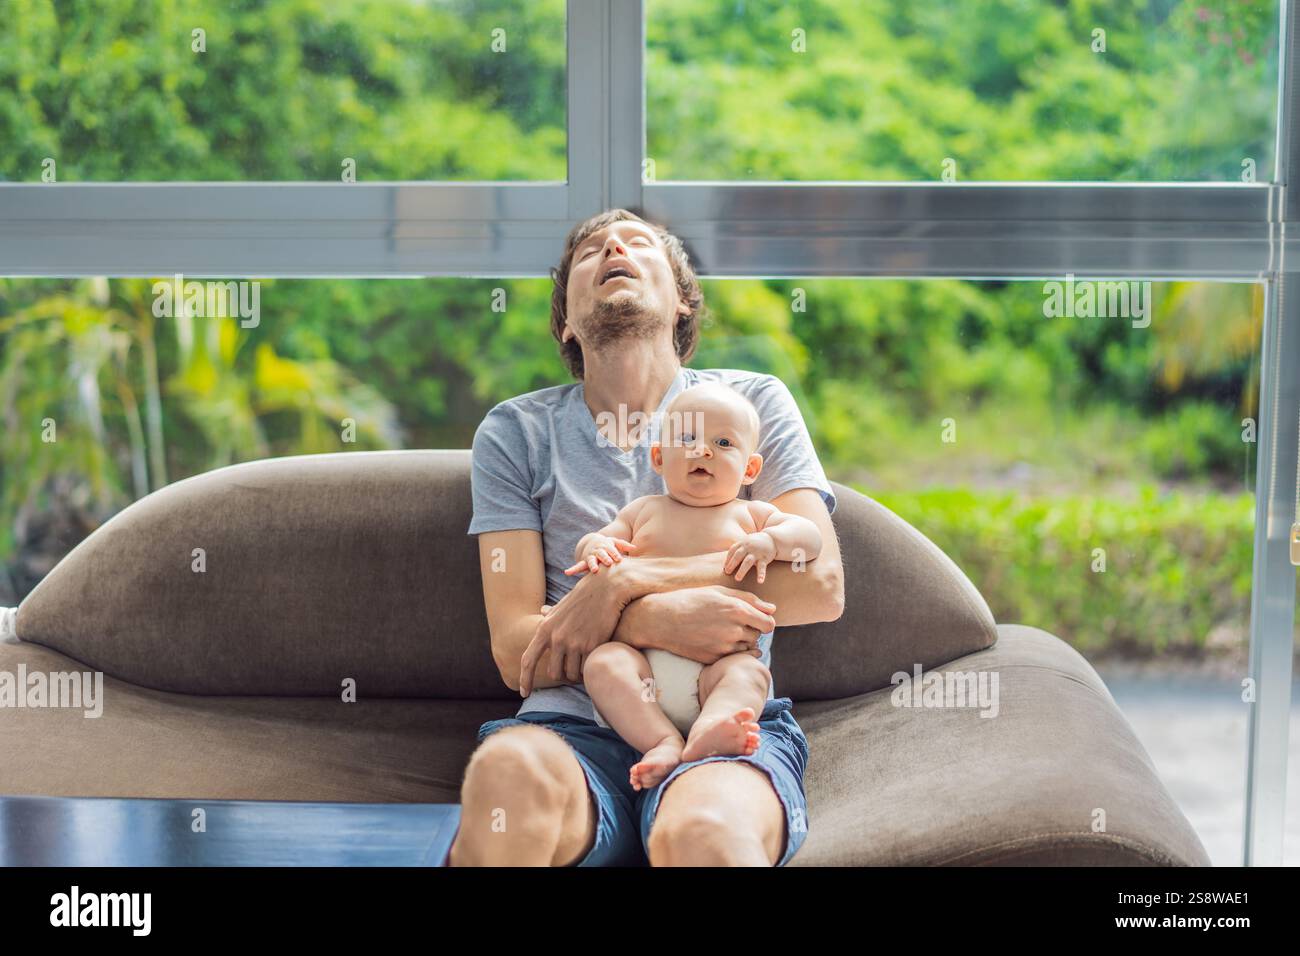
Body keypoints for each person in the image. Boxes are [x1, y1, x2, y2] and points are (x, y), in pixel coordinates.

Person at [449, 207, 845, 867]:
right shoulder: (515, 433)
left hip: (719, 716)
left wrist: (624, 587)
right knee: (506, 780)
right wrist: (654, 619)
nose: (611, 246)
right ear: (566, 323)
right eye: (589, 251)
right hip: (573, 723)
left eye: (637, 242)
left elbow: (819, 585)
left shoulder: (752, 404)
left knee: (706, 834)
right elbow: (518, 651)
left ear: (683, 302)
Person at [568, 381, 823, 792]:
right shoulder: (642, 512)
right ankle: (662, 741)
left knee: (749, 675)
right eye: (686, 438)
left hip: (716, 669)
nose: (703, 450)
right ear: (658, 457)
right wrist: (595, 546)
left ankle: (711, 728)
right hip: (642, 669)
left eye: (723, 442)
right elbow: (597, 539)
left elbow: (809, 538)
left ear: (750, 470)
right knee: (602, 663)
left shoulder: (752, 515)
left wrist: (771, 541)